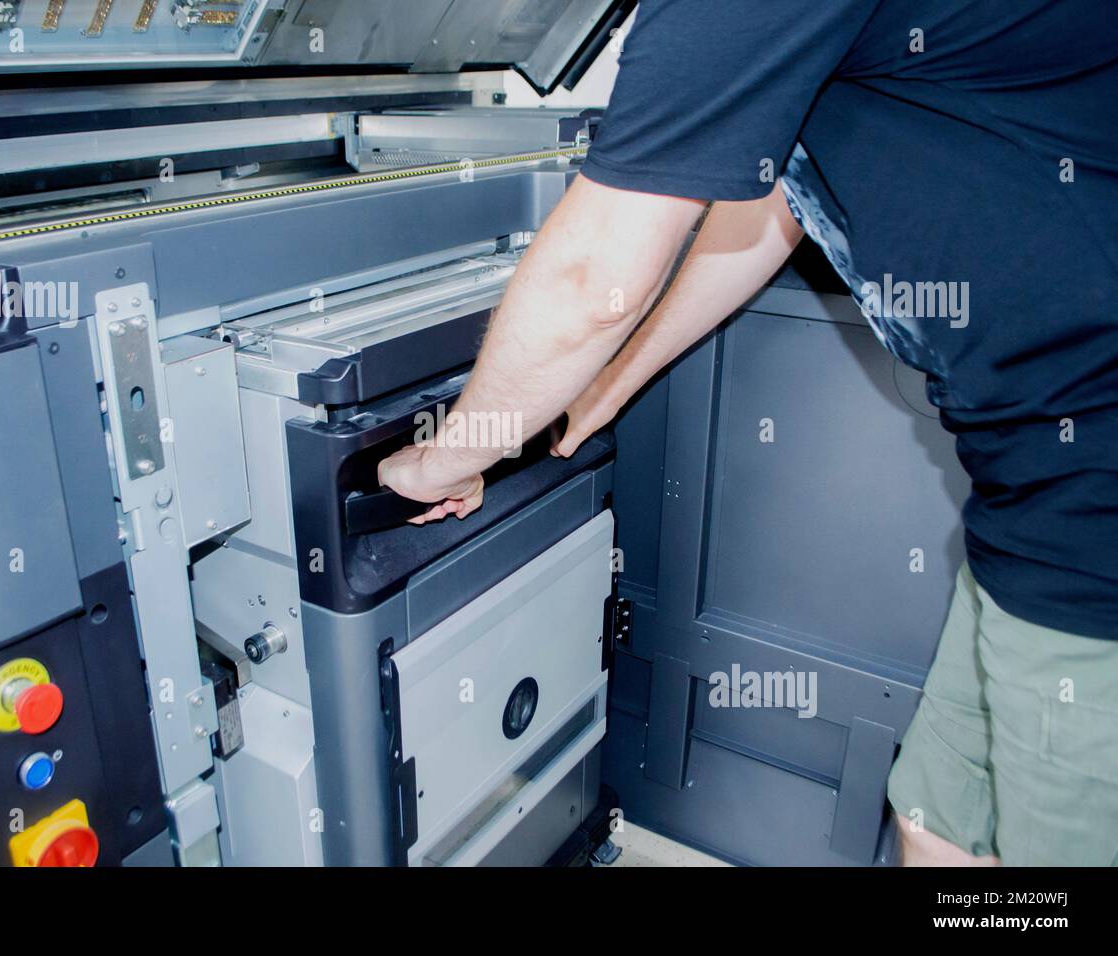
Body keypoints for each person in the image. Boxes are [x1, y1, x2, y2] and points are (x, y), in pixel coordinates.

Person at [377, 0, 1118, 865]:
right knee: (935, 820)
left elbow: (590, 278)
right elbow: (779, 202)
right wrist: (611, 381)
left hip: (1089, 509)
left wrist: (445, 457)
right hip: (1032, 484)